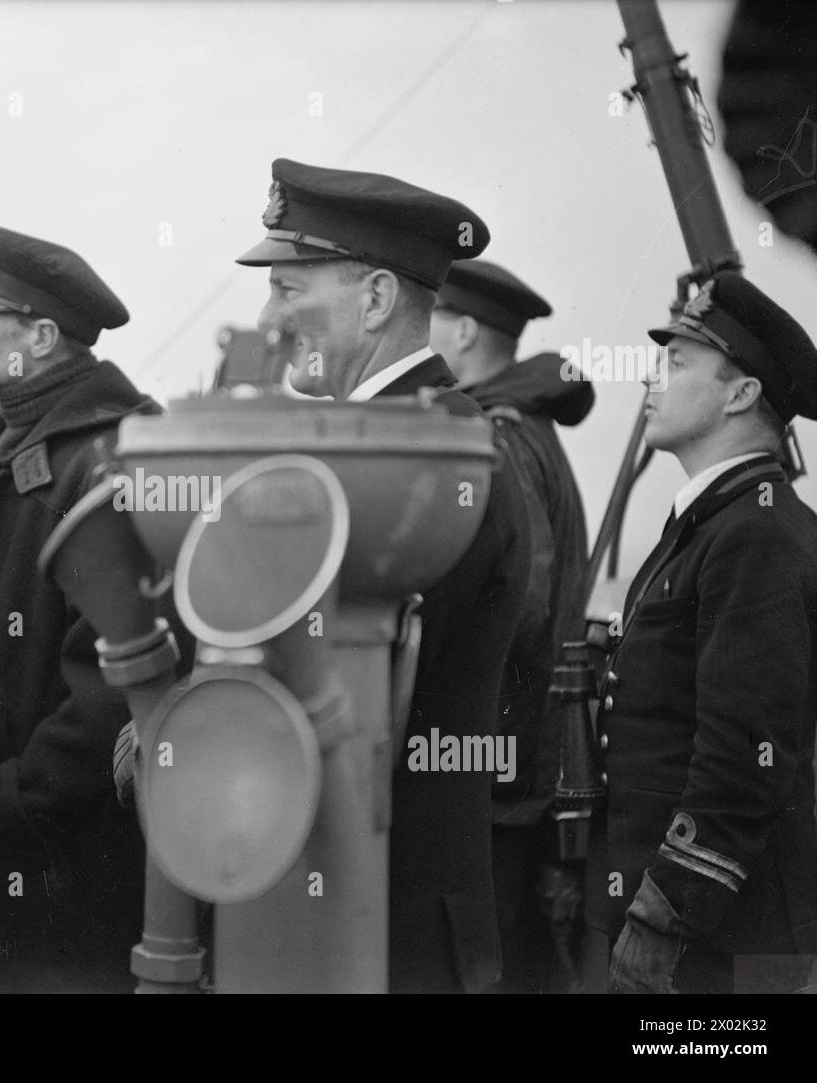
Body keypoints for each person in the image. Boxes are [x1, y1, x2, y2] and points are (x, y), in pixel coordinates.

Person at [235, 158, 531, 992]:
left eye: (289, 290)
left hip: (391, 936)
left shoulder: (437, 457)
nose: (269, 317)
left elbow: (351, 685)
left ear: (373, 299)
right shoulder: (401, 443)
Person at [0, 225, 157, 992]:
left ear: (41, 336)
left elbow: (122, 678)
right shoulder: (15, 436)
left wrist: (9, 800)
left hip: (45, 868)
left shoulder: (114, 458)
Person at [585, 270, 817, 994]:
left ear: (741, 393)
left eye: (677, 362)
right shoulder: (715, 522)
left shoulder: (754, 534)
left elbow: (743, 757)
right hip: (696, 931)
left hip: (721, 943)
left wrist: (664, 917)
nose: (652, 381)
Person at [429, 258, 594, 992]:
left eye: (432, 319)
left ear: (462, 330)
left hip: (495, 774)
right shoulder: (529, 431)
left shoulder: (495, 439)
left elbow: (516, 606)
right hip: (516, 765)